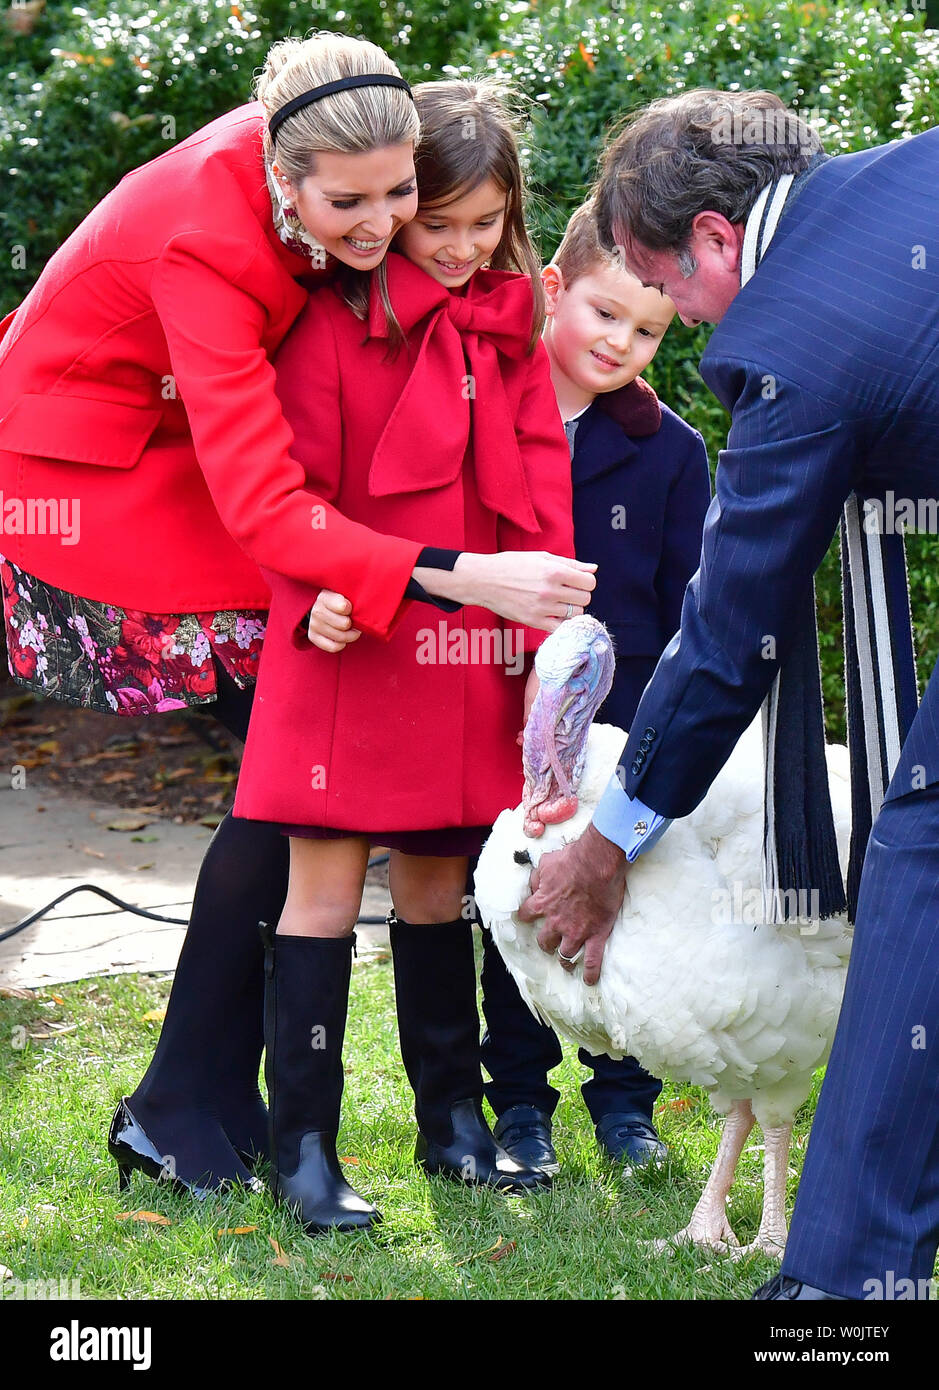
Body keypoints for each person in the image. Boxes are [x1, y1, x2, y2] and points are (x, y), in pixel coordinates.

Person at [0, 31, 592, 1198]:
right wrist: (461, 578)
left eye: (399, 195)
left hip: (211, 446)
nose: (379, 226)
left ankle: (199, 1100)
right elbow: (271, 507)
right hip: (104, 471)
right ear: (285, 181)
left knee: (294, 775)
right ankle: (196, 1104)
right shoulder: (207, 244)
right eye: (349, 206)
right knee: (294, 764)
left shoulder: (330, 132)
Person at [516, 87, 939, 1301]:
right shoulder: (898, 176)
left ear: (711, 237)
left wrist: (609, 838)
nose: (685, 322)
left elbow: (727, 632)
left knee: (919, 839)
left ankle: (848, 1287)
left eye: (672, 290)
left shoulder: (795, 341)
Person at [232, 76, 593, 1234]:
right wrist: (318, 604)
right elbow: (291, 502)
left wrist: (550, 633)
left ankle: (455, 1123)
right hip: (346, 636)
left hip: (466, 649)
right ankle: (306, 1149)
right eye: (437, 222)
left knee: (440, 885)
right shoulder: (326, 325)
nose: (459, 245)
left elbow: (540, 492)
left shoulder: (511, 324)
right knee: (324, 895)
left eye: (484, 222)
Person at [471, 199, 710, 1175]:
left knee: (628, 906)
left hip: (625, 723)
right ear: (555, 290)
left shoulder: (672, 455)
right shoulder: (482, 412)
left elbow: (695, 606)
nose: (623, 341)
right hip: (499, 713)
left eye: (648, 328)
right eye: (606, 314)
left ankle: (625, 1101)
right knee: (514, 907)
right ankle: (519, 1104)